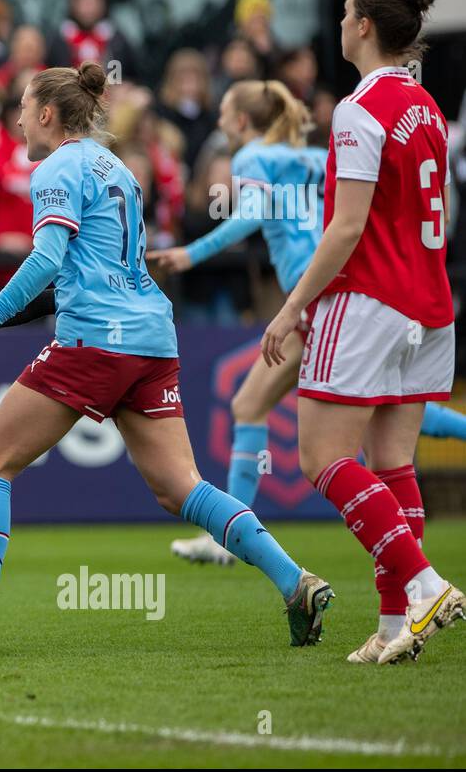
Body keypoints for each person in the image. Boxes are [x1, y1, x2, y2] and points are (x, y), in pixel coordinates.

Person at [0, 62, 331, 656]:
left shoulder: (56, 167)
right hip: (152, 338)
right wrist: (2, 321)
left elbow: (48, 260)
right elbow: (87, 272)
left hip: (95, 341)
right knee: (181, 486)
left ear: (47, 114)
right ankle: (295, 582)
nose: (19, 117)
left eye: (24, 106)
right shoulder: (118, 168)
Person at [152, 79, 466, 571]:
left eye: (223, 113)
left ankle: (231, 537)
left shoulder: (251, 156)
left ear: (240, 122)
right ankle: (231, 535)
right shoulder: (311, 157)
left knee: (352, 420)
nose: (217, 122)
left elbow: (252, 212)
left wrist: (190, 253)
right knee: (266, 403)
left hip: (313, 296)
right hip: (342, 290)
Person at [261, 0, 463, 665]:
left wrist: (292, 308)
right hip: (431, 306)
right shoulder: (428, 107)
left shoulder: (358, 109)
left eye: (348, 12)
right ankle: (393, 625)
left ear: (365, 26)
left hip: (371, 300)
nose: (342, 21)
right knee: (393, 464)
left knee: (321, 457)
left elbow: (346, 229)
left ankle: (427, 585)